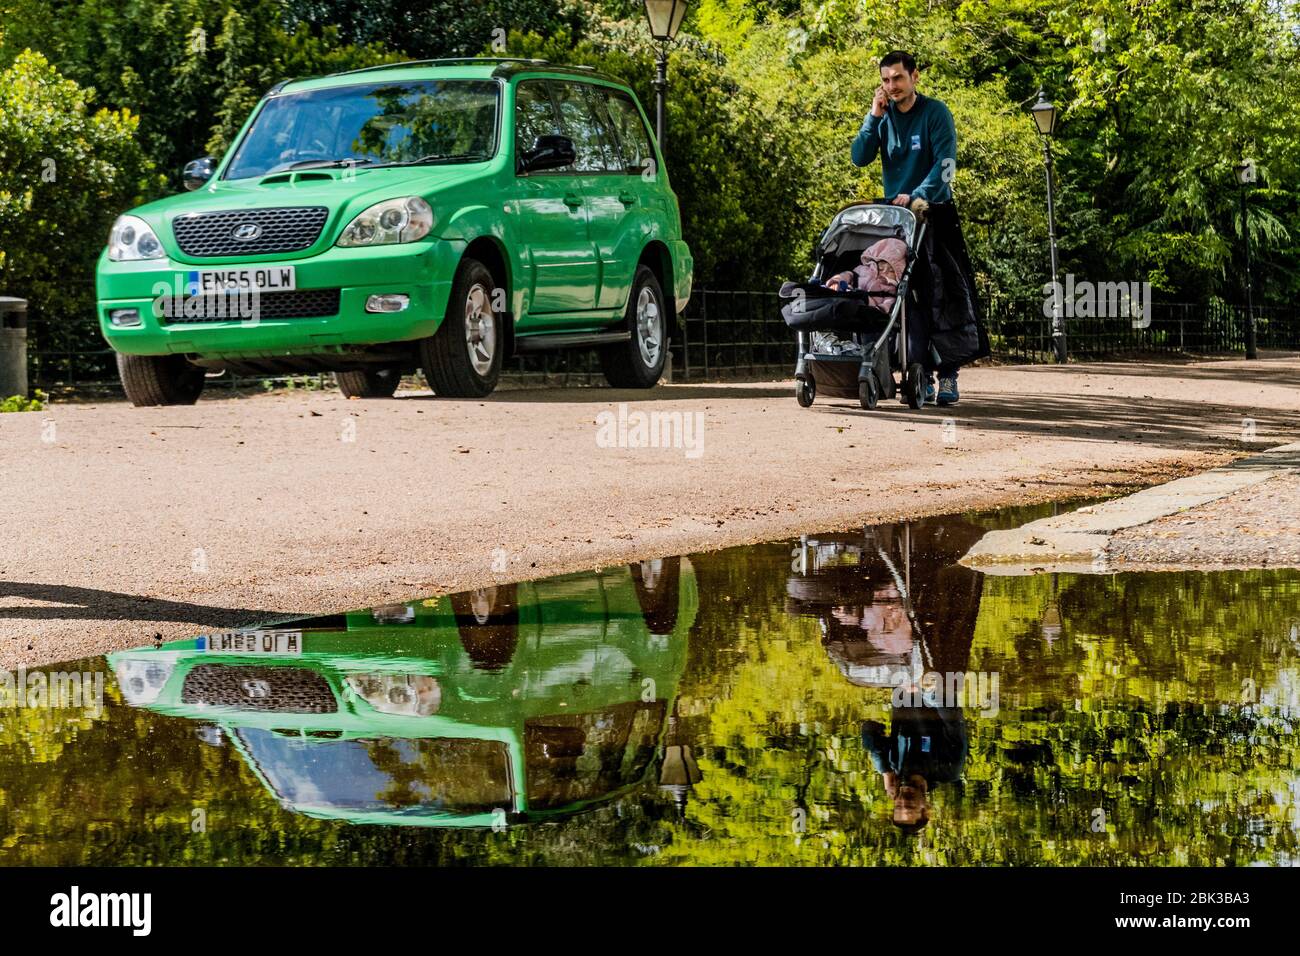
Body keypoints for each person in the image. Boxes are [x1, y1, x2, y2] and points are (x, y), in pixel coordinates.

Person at [850, 50, 987, 406]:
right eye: (885, 80)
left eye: (897, 78)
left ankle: (949, 375)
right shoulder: (884, 117)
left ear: (915, 77)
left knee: (942, 294)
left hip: (933, 213)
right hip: (896, 220)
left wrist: (918, 195)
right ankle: (917, 371)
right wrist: (872, 116)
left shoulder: (935, 113)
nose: (891, 86)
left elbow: (946, 165)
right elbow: (859, 157)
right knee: (900, 295)